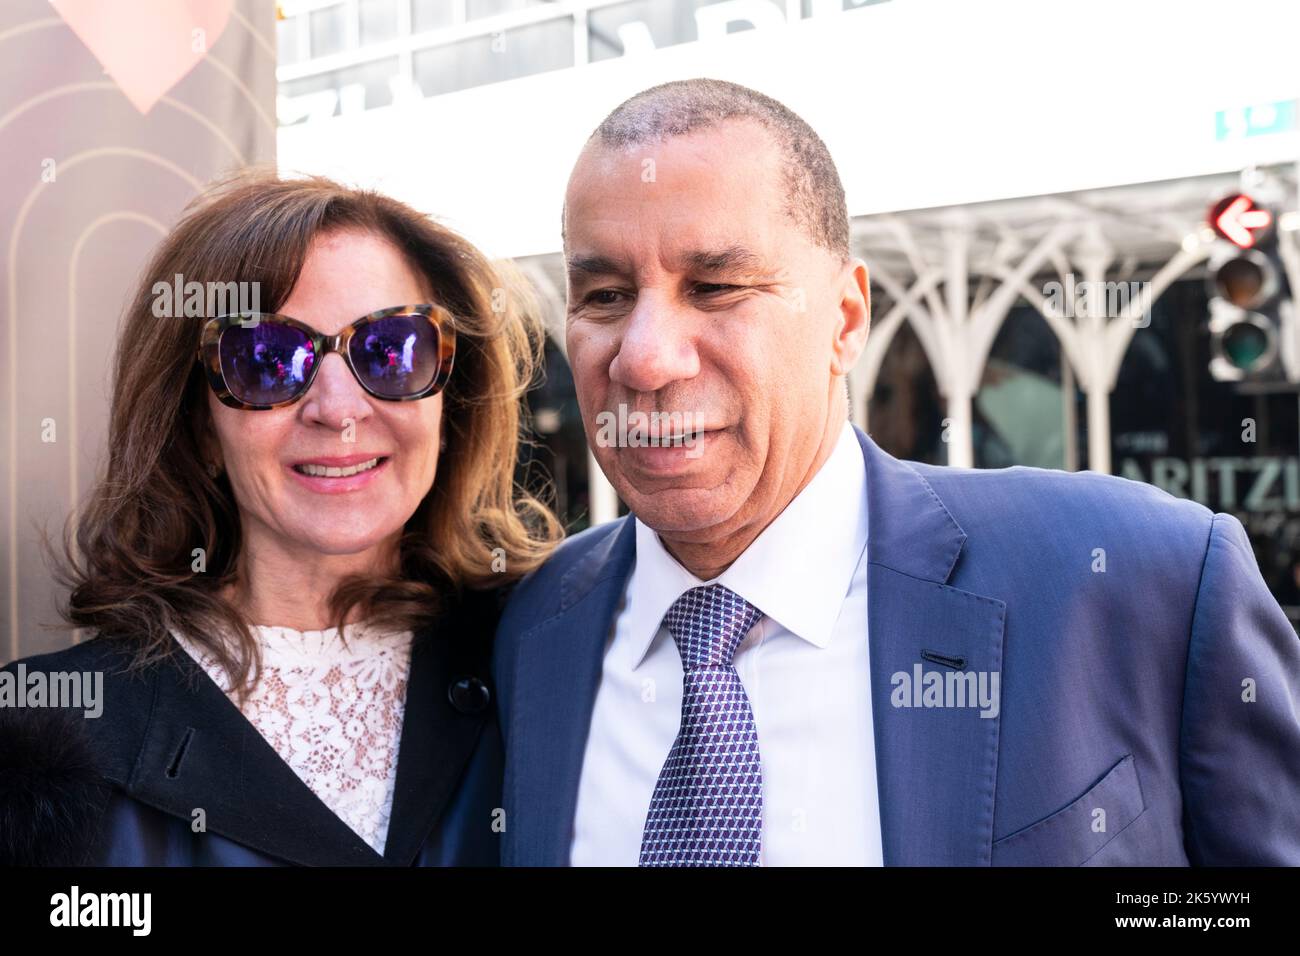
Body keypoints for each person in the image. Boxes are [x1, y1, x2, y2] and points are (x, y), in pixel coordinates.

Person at [493, 79, 1300, 866]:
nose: (644, 356)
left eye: (715, 288)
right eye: (603, 295)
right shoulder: (528, 633)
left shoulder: (1145, 577)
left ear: (845, 321)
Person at [0, 171, 560, 866]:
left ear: (449, 402)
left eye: (391, 349)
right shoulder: (36, 742)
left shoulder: (555, 663)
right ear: (199, 424)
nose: (339, 408)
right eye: (267, 360)